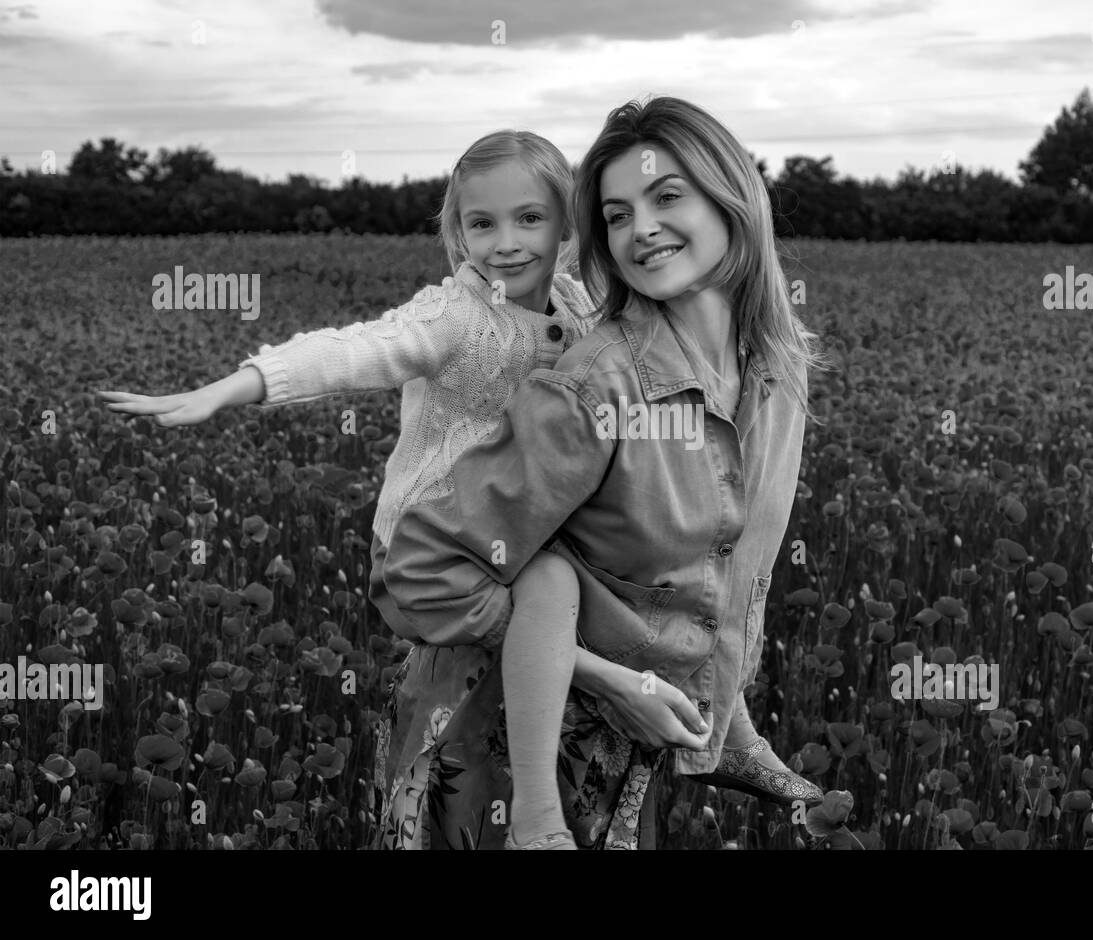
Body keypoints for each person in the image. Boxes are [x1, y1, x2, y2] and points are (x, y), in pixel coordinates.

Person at [96, 130, 603, 849]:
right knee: (554, 623)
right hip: (434, 554)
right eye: (480, 223)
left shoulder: (581, 307)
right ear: (457, 234)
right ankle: (586, 736)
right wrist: (236, 386)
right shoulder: (455, 316)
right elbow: (354, 348)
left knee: (573, 585)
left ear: (567, 226)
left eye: (530, 218)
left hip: (517, 544)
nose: (506, 243)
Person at [371, 95, 826, 851]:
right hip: (500, 745)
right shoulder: (594, 389)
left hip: (633, 750)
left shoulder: (779, 379)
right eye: (617, 214)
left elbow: (724, 584)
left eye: (667, 196)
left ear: (734, 198)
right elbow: (419, 570)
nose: (640, 228)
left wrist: (727, 729)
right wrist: (606, 677)